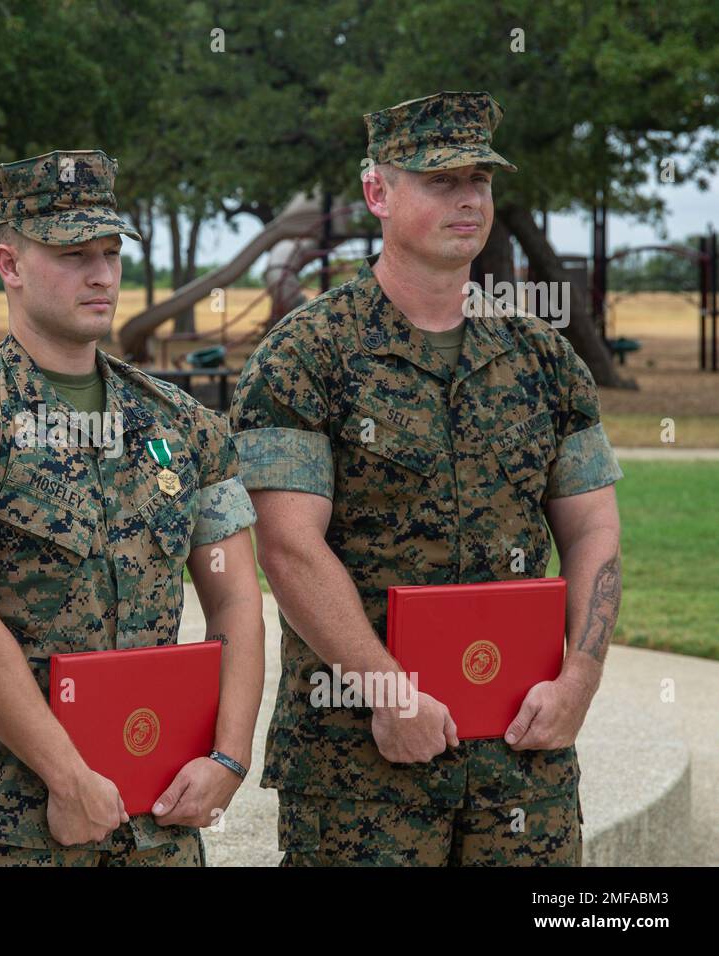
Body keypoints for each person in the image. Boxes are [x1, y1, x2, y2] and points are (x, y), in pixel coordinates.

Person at [231, 91, 623, 866]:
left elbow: (593, 530)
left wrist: (580, 677)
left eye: (479, 179)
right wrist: (385, 691)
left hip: (522, 757)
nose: (469, 198)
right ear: (378, 192)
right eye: (440, 179)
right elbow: (287, 548)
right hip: (361, 770)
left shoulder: (543, 359)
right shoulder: (307, 356)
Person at [0, 150, 264, 866]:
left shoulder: (181, 424)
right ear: (10, 263)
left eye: (110, 252)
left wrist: (229, 755)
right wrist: (68, 778)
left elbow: (238, 598)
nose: (100, 275)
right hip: (6, 825)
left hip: (157, 817)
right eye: (71, 254)